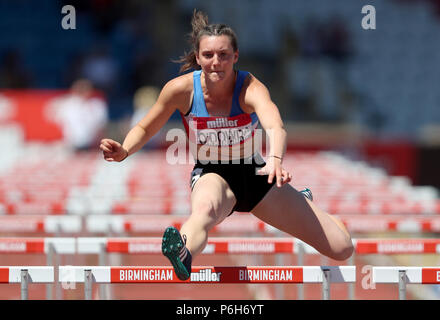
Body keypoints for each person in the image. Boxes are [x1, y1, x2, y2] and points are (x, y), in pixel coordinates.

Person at [100, 10, 354, 281]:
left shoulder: (250, 87)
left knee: (342, 248)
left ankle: (305, 204)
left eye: (223, 55)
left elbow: (274, 125)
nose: (215, 62)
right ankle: (183, 253)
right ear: (198, 58)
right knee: (205, 210)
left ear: (235, 57)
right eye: (208, 55)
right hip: (212, 174)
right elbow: (145, 126)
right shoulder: (180, 90)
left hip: (256, 175)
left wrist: (276, 159)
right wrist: (125, 149)